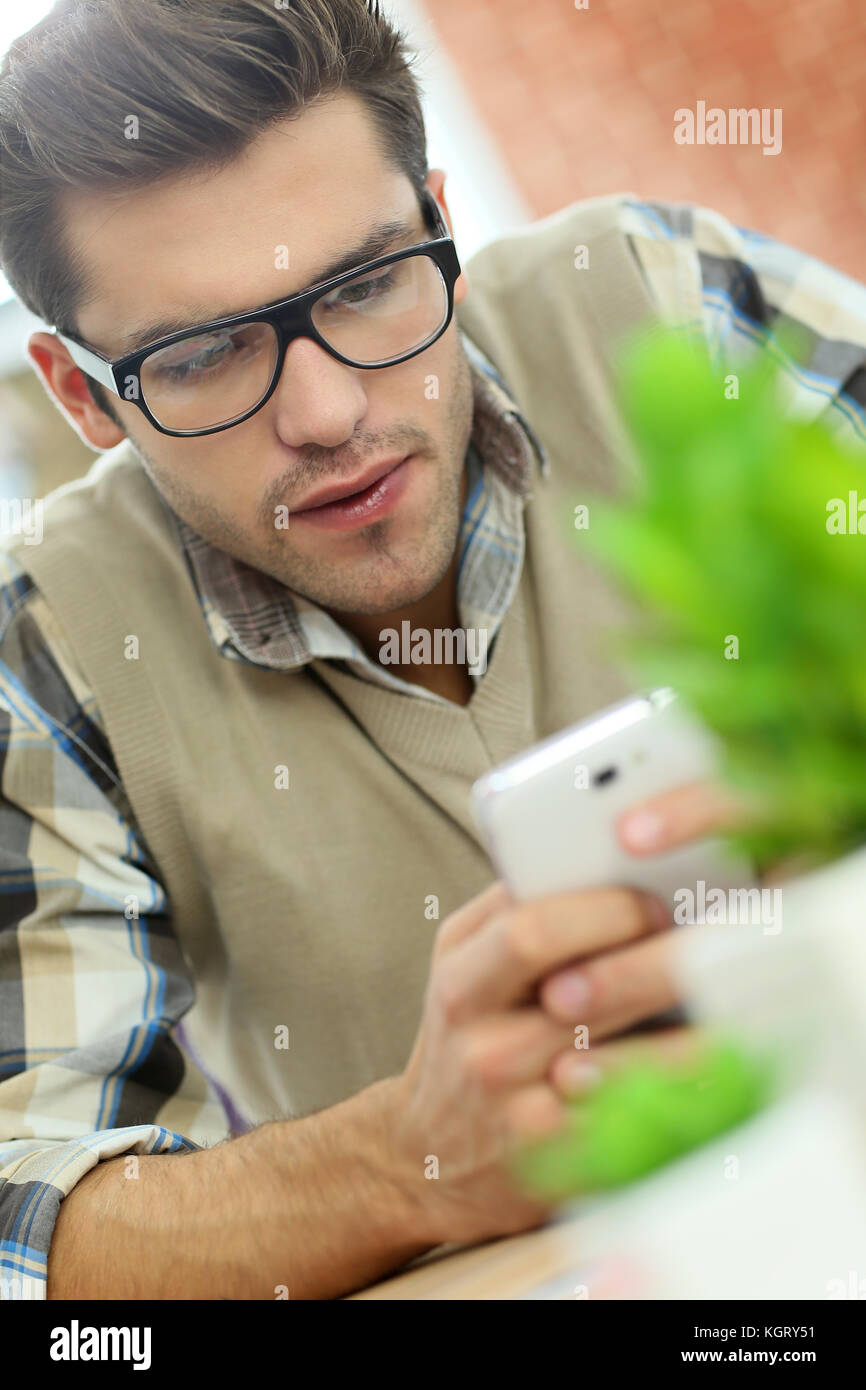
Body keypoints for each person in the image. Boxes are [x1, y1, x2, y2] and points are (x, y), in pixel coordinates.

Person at [0, 0, 863, 1301]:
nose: (330, 408)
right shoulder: (49, 643)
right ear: (84, 398)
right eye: (202, 353)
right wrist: (411, 1158)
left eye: (364, 283)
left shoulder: (657, 302)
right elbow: (34, 1227)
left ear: (443, 225)